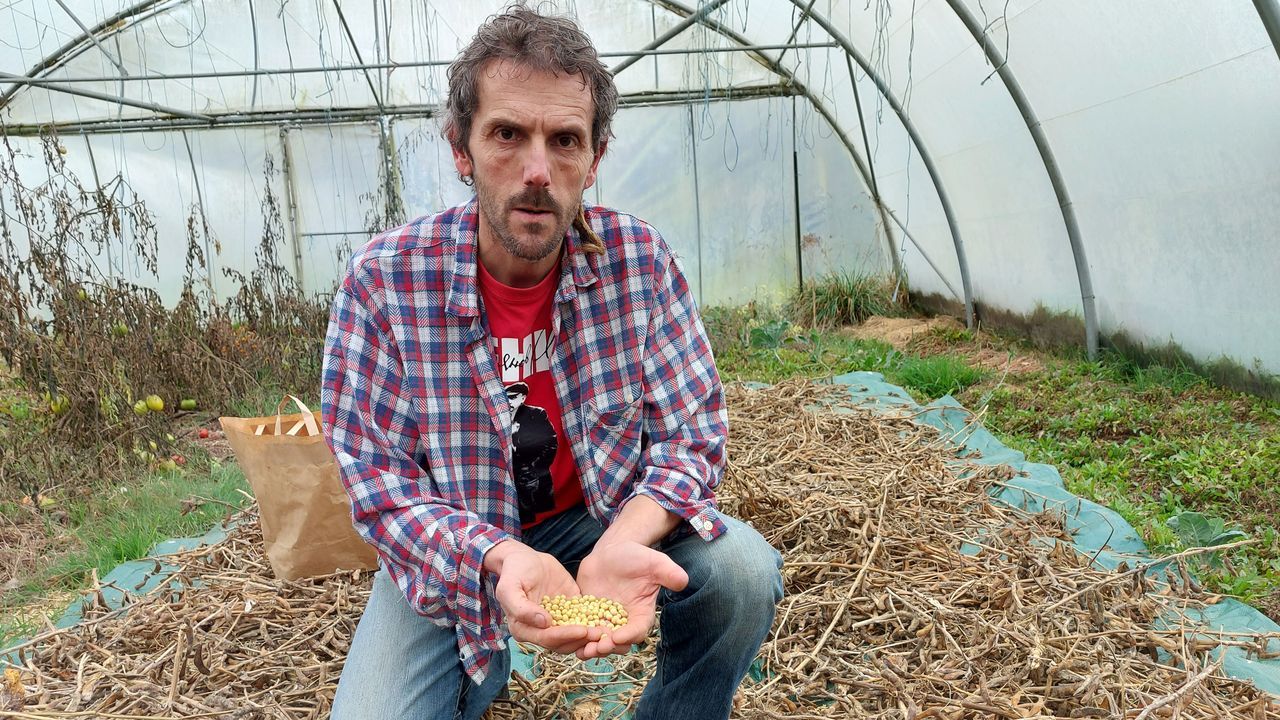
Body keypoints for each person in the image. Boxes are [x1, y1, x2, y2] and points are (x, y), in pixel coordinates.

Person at [319, 5, 783, 720]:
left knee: (743, 572)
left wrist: (623, 540)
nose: (538, 171)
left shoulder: (638, 264)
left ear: (594, 160)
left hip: (596, 516)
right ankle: (478, 654)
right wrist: (499, 556)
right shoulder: (385, 284)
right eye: (507, 134)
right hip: (459, 536)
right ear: (461, 148)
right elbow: (379, 486)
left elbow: (693, 435)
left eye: (565, 140)